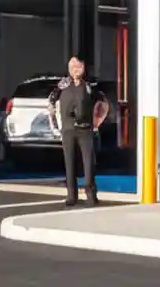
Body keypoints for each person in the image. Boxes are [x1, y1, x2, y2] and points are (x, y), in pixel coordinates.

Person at [48, 56, 108, 206]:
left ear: (83, 67)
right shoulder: (62, 85)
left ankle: (90, 193)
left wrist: (97, 122)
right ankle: (71, 195)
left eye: (79, 66)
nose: (76, 69)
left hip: (85, 130)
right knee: (69, 162)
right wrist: (55, 122)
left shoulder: (89, 86)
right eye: (73, 66)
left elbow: (103, 103)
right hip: (68, 130)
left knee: (88, 163)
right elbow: (51, 102)